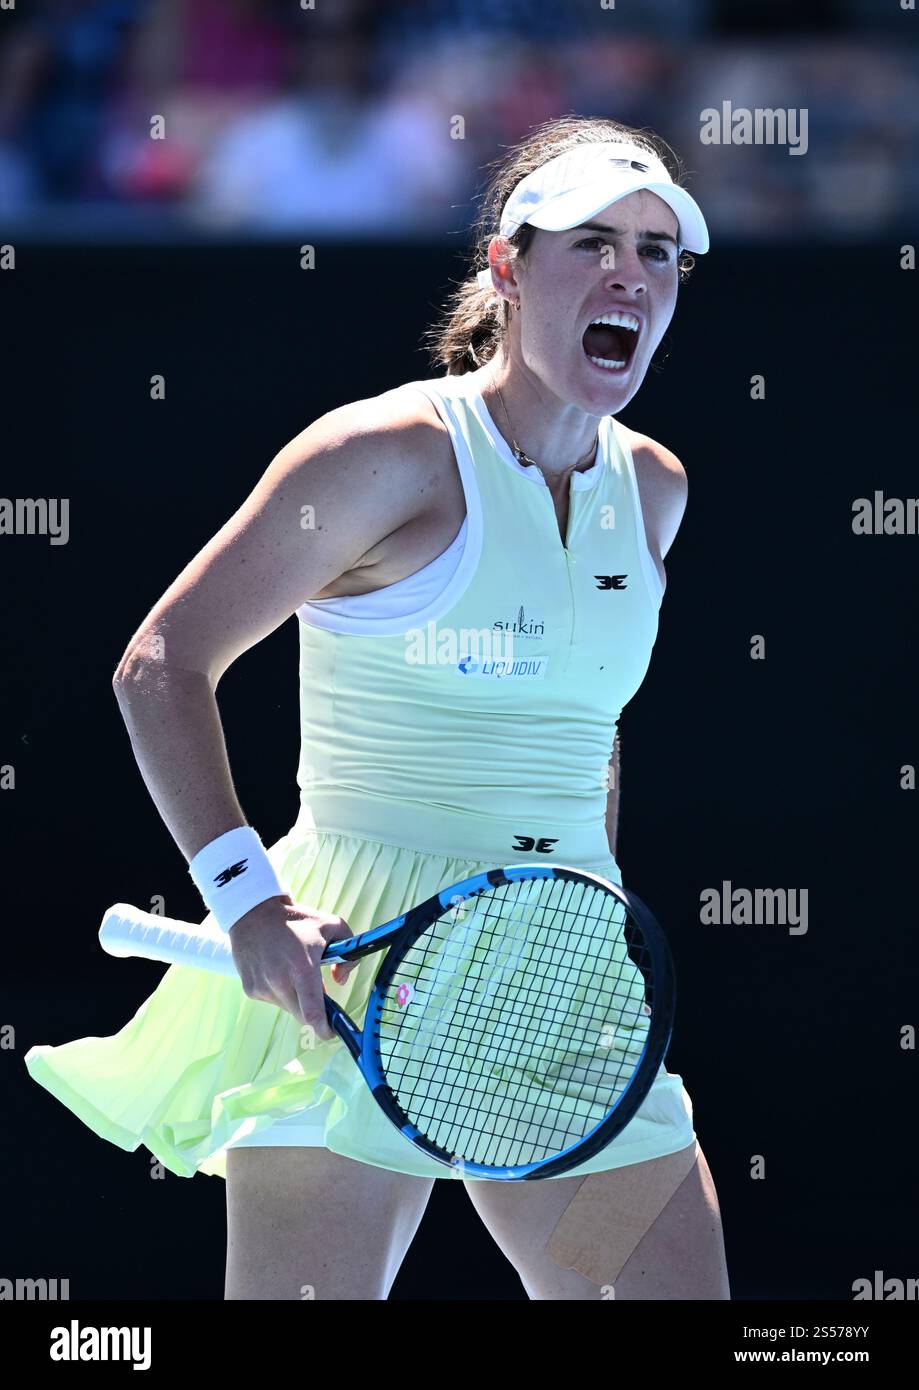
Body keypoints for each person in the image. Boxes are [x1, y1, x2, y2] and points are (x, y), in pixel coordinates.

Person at [25, 114, 731, 1301]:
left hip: (566, 991)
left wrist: (584, 898)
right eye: (593, 242)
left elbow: (584, 719)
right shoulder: (382, 454)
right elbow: (162, 662)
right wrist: (244, 901)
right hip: (346, 978)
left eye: (659, 253)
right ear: (507, 267)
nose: (631, 275)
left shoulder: (651, 490)